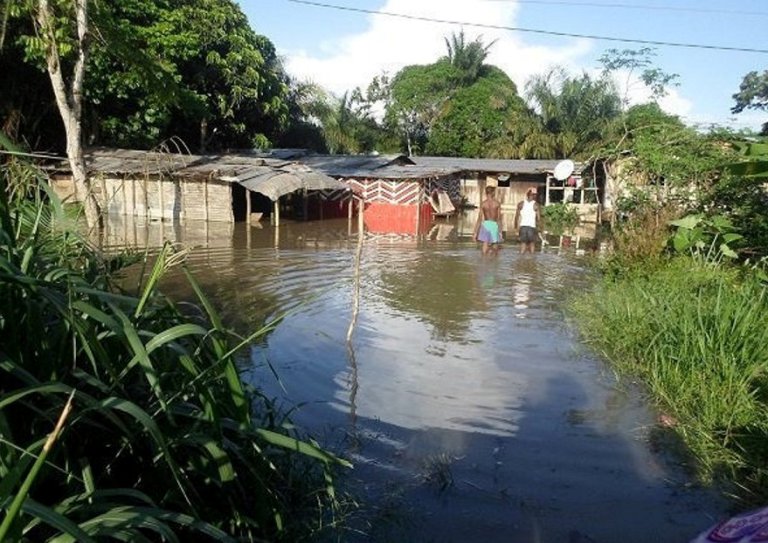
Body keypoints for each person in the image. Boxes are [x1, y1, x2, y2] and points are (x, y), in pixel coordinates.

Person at [474, 185, 502, 256]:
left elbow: (479, 218)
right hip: (493, 225)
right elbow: (499, 219)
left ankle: (483, 260)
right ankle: (494, 260)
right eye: (494, 192)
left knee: (485, 244)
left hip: (485, 225)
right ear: (492, 193)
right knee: (495, 245)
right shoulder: (497, 203)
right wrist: (500, 232)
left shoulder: (483, 204)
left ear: (486, 193)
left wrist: (475, 233)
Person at [514, 188, 541, 254]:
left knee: (523, 246)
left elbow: (516, 217)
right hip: (532, 227)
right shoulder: (536, 205)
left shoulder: (521, 204)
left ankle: (521, 258)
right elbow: (539, 219)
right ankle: (532, 259)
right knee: (532, 245)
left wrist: (516, 228)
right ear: (534, 195)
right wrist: (540, 230)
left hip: (523, 227)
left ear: (527, 194)